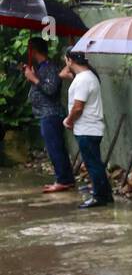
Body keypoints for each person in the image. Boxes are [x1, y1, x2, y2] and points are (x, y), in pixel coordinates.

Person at [23, 38, 75, 194]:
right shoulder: (40, 68)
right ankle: (66, 178)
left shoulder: (51, 67)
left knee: (55, 148)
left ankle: (63, 180)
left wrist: (34, 79)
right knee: (55, 147)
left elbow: (50, 89)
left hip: (50, 113)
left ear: (34, 50)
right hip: (44, 114)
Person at [61, 51, 112, 209]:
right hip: (89, 127)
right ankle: (105, 193)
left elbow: (78, 108)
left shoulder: (83, 79)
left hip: (87, 128)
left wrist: (68, 121)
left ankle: (99, 196)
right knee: (95, 162)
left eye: (66, 60)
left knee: (93, 164)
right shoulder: (87, 76)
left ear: (70, 60)